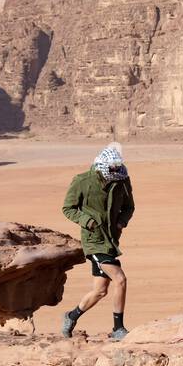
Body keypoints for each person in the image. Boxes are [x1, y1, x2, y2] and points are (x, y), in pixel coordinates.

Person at [61, 143, 135, 340]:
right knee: (120, 279)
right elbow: (68, 208)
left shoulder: (122, 179)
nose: (115, 171)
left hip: (111, 239)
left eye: (117, 168)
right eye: (112, 168)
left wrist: (121, 222)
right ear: (102, 166)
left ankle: (71, 316)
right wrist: (88, 222)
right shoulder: (82, 181)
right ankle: (118, 328)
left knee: (100, 291)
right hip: (94, 240)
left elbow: (129, 207)